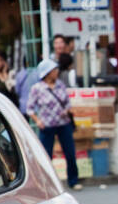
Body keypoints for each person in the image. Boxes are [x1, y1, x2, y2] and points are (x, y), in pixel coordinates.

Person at [26, 57, 82, 190]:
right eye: (54, 69)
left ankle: (73, 180)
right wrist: (38, 121)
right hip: (47, 125)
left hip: (64, 123)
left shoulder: (60, 85)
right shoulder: (37, 88)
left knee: (70, 153)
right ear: (47, 72)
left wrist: (66, 111)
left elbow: (68, 103)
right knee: (46, 156)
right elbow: (30, 108)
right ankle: (46, 184)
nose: (57, 72)